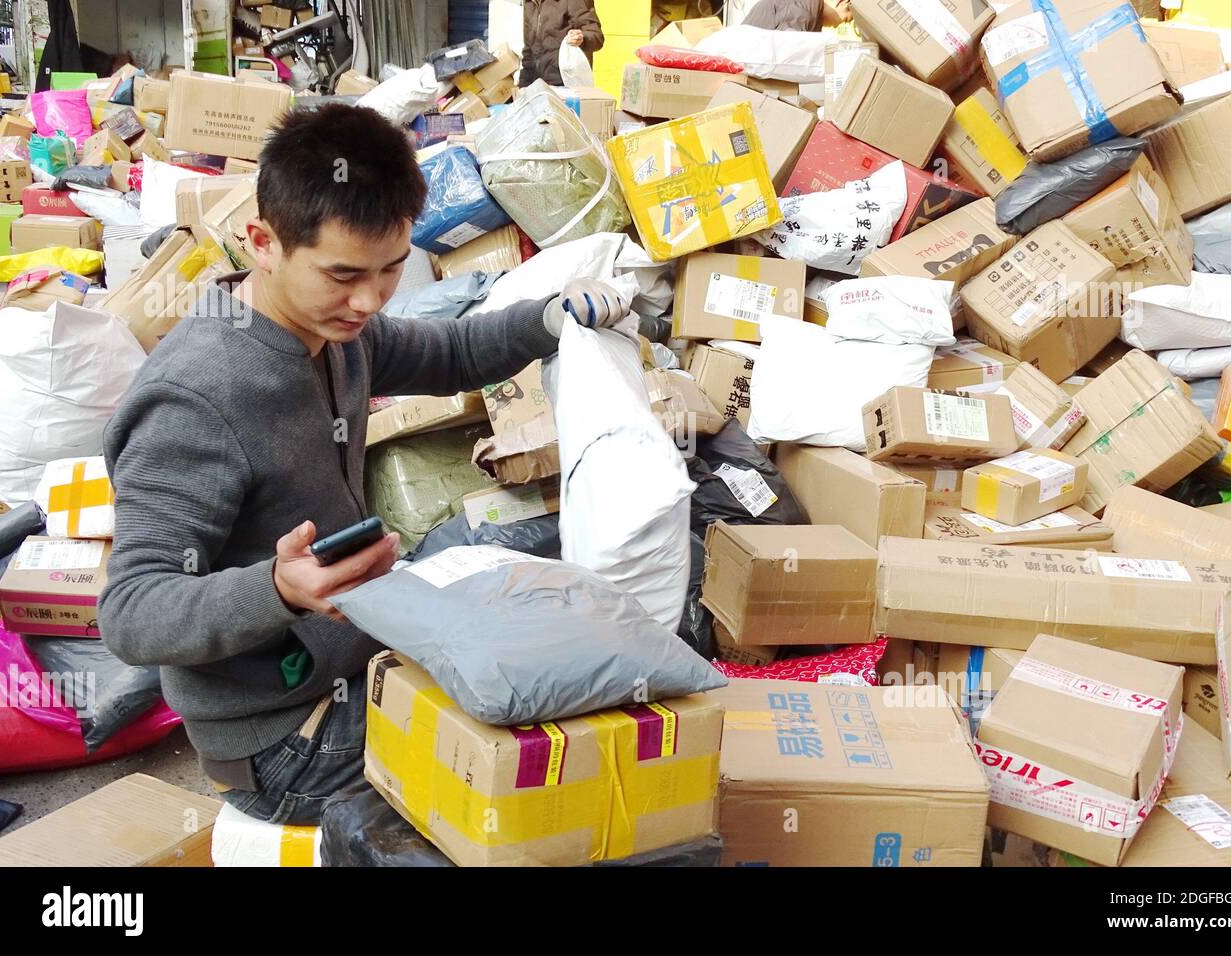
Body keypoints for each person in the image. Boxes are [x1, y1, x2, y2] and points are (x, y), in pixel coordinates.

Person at [97, 103, 630, 826]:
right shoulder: (196, 401)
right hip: (284, 742)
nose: (369, 299)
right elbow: (132, 615)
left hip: (357, 652)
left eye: (390, 270)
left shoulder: (332, 330)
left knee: (576, 643)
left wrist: (549, 316)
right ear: (262, 242)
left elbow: (453, 353)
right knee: (568, 753)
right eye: (344, 274)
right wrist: (279, 589)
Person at [518, 0, 605, 86]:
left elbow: (596, 36)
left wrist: (582, 38)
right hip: (537, 86)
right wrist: (523, 84)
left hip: (566, 85)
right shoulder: (529, 3)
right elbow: (529, 49)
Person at [742, 0, 852, 32]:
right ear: (842, 2)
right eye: (845, 20)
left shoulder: (809, 8)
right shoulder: (805, 12)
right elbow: (788, 49)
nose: (837, 26)